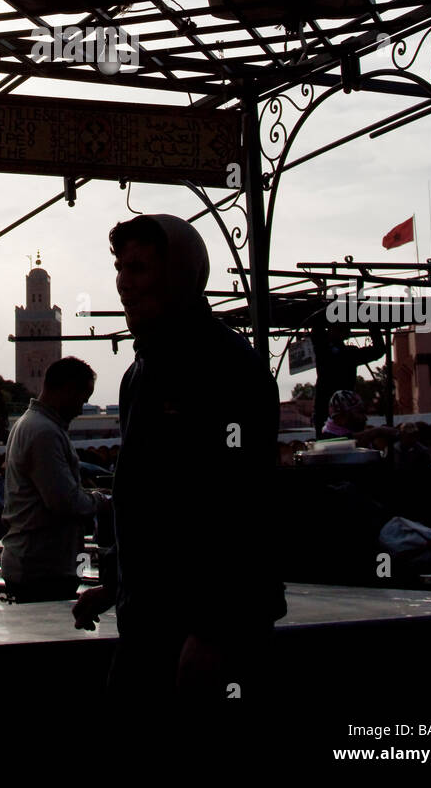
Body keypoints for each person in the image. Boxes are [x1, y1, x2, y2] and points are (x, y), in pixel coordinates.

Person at [73, 214, 286, 709]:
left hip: (210, 636)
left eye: (140, 268)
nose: (125, 284)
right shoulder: (139, 377)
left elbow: (243, 502)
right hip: (148, 623)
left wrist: (214, 630)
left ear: (181, 274)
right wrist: (116, 584)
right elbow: (143, 498)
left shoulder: (228, 366)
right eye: (122, 269)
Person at [1, 356, 107, 603]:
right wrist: (102, 501)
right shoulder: (44, 432)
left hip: (32, 563)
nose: (82, 408)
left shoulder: (30, 424)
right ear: (67, 390)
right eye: (82, 399)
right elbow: (64, 502)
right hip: (42, 568)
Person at [311, 315, 385, 438]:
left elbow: (317, 329)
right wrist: (373, 325)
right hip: (334, 408)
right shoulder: (347, 352)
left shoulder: (326, 349)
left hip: (332, 408)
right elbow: (379, 350)